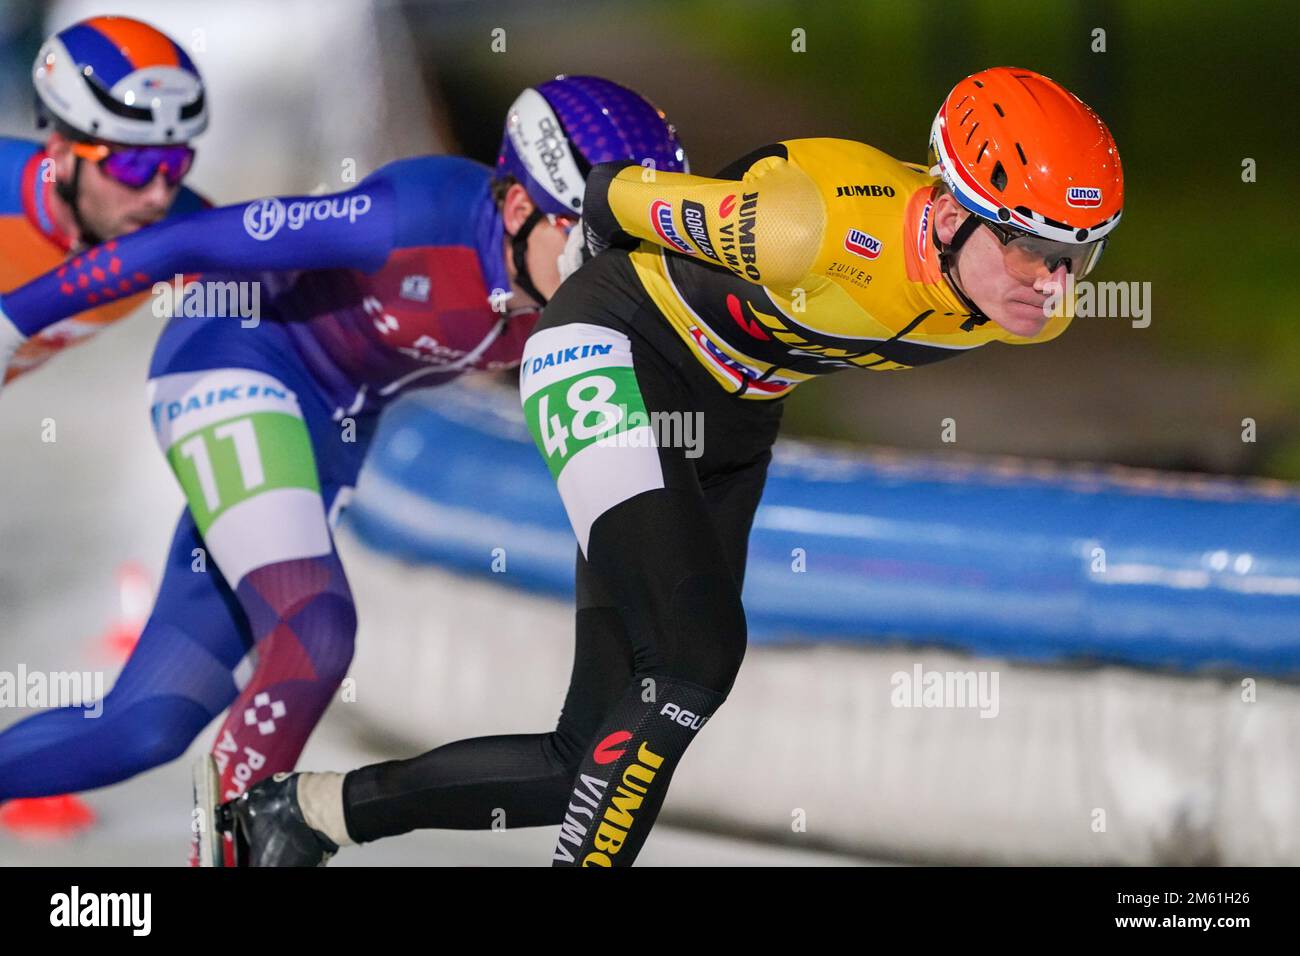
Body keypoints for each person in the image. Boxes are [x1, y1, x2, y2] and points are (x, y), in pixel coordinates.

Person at [187, 66, 1124, 867]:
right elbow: (608, 196)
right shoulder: (812, 225)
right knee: (696, 657)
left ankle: (298, 814)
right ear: (955, 207)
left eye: (1082, 255)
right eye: (1037, 250)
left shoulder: (1035, 299)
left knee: (587, 755)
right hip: (609, 351)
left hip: (727, 427)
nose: (1055, 284)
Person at [0, 77, 687, 864]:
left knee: (146, 722)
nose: (612, 272)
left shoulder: (584, 293)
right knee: (314, 631)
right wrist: (15, 322)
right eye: (588, 242)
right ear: (518, 206)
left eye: (634, 249)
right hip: (238, 357)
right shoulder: (407, 217)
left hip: (324, 430)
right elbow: (188, 241)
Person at [1, 14, 209, 384]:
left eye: (175, 163)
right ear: (63, 157)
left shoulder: (181, 226)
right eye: (133, 165)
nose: (159, 195)